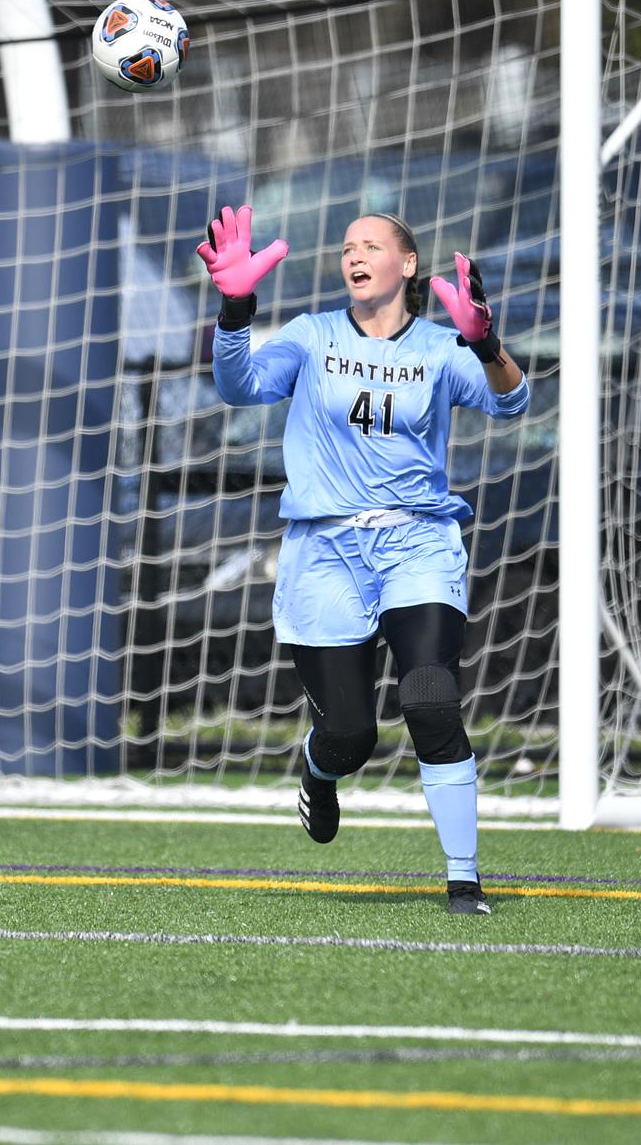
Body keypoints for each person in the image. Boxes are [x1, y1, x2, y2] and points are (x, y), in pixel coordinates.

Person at [199, 204, 528, 916]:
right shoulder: (312, 336)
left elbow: (512, 403)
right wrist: (235, 308)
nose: (355, 255)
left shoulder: (441, 349)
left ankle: (464, 880)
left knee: (430, 697)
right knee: (350, 734)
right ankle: (319, 774)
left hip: (417, 542)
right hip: (325, 551)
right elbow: (237, 387)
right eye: (349, 246)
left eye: (371, 245)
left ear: (406, 265)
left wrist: (488, 342)